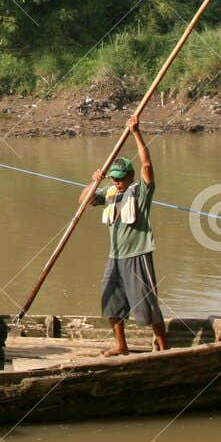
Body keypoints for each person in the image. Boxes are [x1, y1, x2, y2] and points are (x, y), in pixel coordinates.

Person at [79, 116, 168, 356]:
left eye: (121, 179)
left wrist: (137, 133)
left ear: (130, 177)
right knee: (111, 304)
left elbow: (147, 166)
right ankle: (121, 345)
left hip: (137, 255)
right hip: (115, 257)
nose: (118, 183)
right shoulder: (109, 192)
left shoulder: (141, 192)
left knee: (147, 306)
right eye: (114, 179)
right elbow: (83, 201)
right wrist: (94, 181)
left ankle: (163, 349)